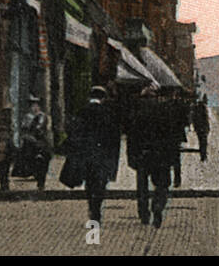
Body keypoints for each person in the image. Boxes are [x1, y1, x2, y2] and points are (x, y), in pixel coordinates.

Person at [60, 86, 121, 223]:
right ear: (103, 98)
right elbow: (114, 137)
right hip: (103, 156)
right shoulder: (108, 113)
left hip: (86, 155)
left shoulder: (82, 112)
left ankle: (92, 207)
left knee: (89, 182)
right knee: (100, 184)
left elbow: (74, 133)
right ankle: (97, 208)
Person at [126, 86, 180, 228]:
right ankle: (157, 206)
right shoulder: (165, 112)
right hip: (161, 156)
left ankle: (143, 214)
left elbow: (131, 138)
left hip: (142, 156)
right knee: (162, 185)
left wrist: (131, 158)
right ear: (155, 97)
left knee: (142, 187)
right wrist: (175, 163)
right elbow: (173, 139)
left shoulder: (136, 114)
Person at [15, 96, 51, 189]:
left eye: (36, 105)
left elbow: (40, 127)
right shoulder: (28, 116)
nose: (34, 107)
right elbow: (24, 127)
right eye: (33, 106)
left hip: (40, 140)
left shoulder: (42, 116)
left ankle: (40, 180)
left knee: (42, 158)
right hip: (31, 140)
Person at [0, 109, 14, 191]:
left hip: (3, 154)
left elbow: (0, 144)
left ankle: (4, 186)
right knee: (4, 171)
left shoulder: (4, 135)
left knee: (2, 171)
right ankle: (4, 186)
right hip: (4, 154)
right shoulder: (8, 134)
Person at [192, 94, 210, 162]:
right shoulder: (204, 108)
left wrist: (195, 126)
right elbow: (206, 119)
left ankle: (202, 154)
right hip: (203, 127)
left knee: (201, 141)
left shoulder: (196, 108)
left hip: (199, 127)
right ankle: (203, 154)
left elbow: (194, 118)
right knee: (204, 141)